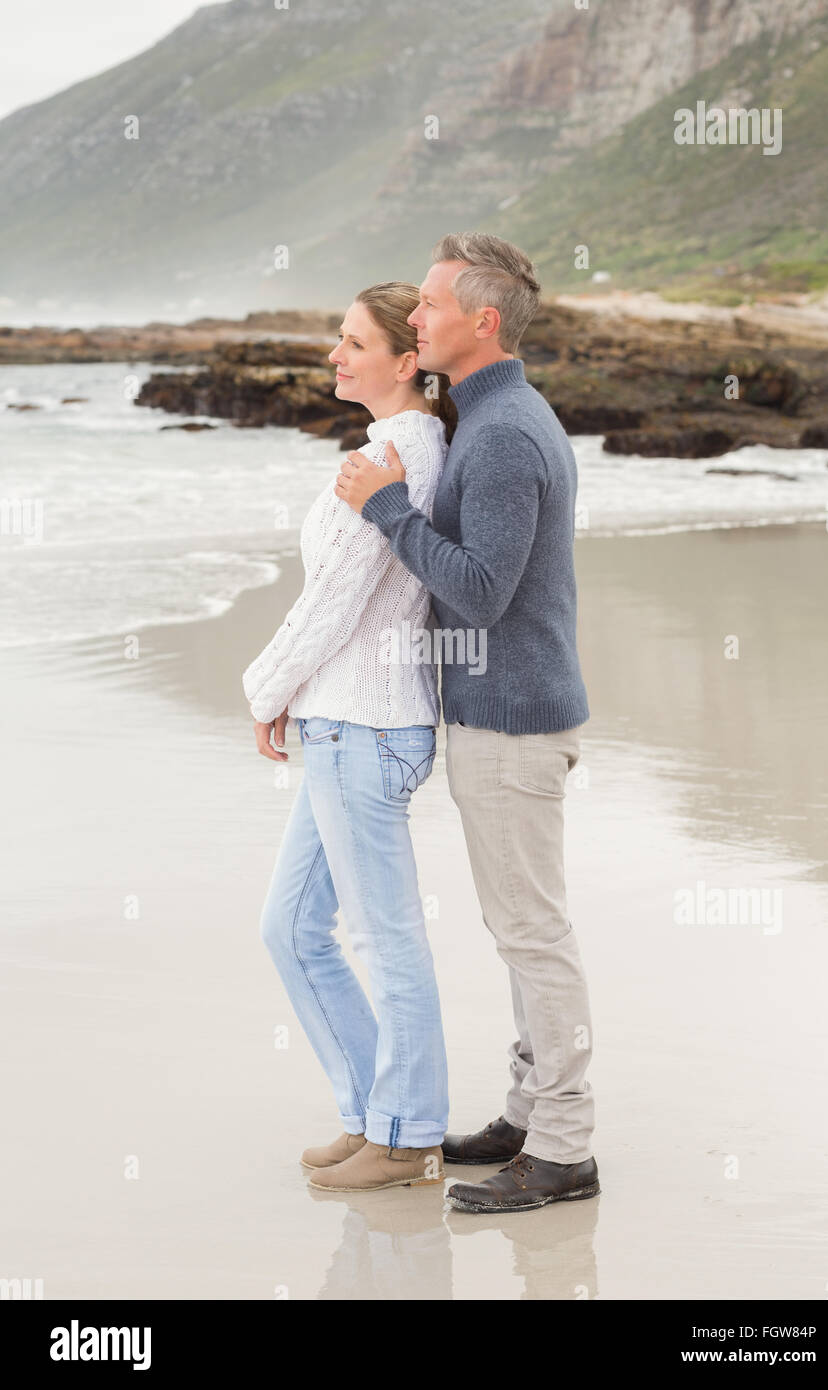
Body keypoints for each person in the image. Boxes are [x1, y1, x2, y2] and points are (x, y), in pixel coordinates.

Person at [336, 233, 600, 1213]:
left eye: (432, 306)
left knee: (533, 935)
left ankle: (563, 1147)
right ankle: (531, 1116)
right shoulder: (496, 415)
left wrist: (389, 506)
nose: (416, 318)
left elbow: (480, 593)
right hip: (511, 714)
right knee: (521, 929)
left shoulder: (500, 436)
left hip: (511, 722)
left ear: (479, 322)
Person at [242, 282, 456, 1193]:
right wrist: (294, 694)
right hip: (343, 722)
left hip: (362, 728)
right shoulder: (395, 446)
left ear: (407, 360)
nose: (335, 354)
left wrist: (264, 689)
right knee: (290, 927)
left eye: (352, 341)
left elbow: (337, 599)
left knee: (383, 937)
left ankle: (407, 1136)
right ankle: (374, 1113)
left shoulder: (399, 451)